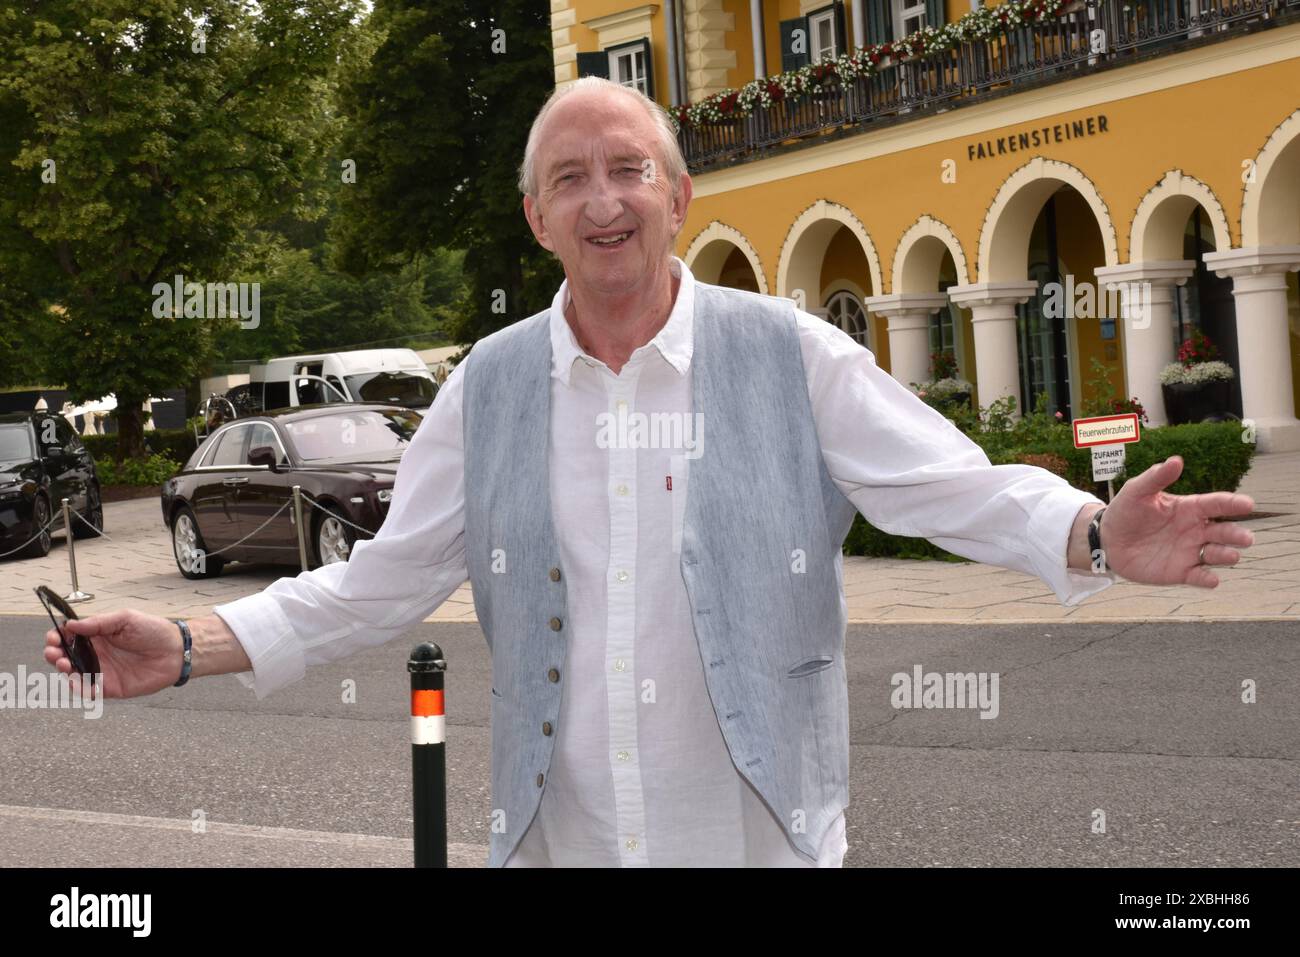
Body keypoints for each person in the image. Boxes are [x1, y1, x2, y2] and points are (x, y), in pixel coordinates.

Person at [44, 76, 1256, 867]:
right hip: (559, 841)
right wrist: (191, 644)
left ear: (677, 195)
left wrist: (1095, 534)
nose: (602, 199)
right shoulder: (490, 386)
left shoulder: (784, 350)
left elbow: (951, 485)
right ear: (537, 218)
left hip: (759, 839)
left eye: (626, 169)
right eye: (568, 178)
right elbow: (380, 580)